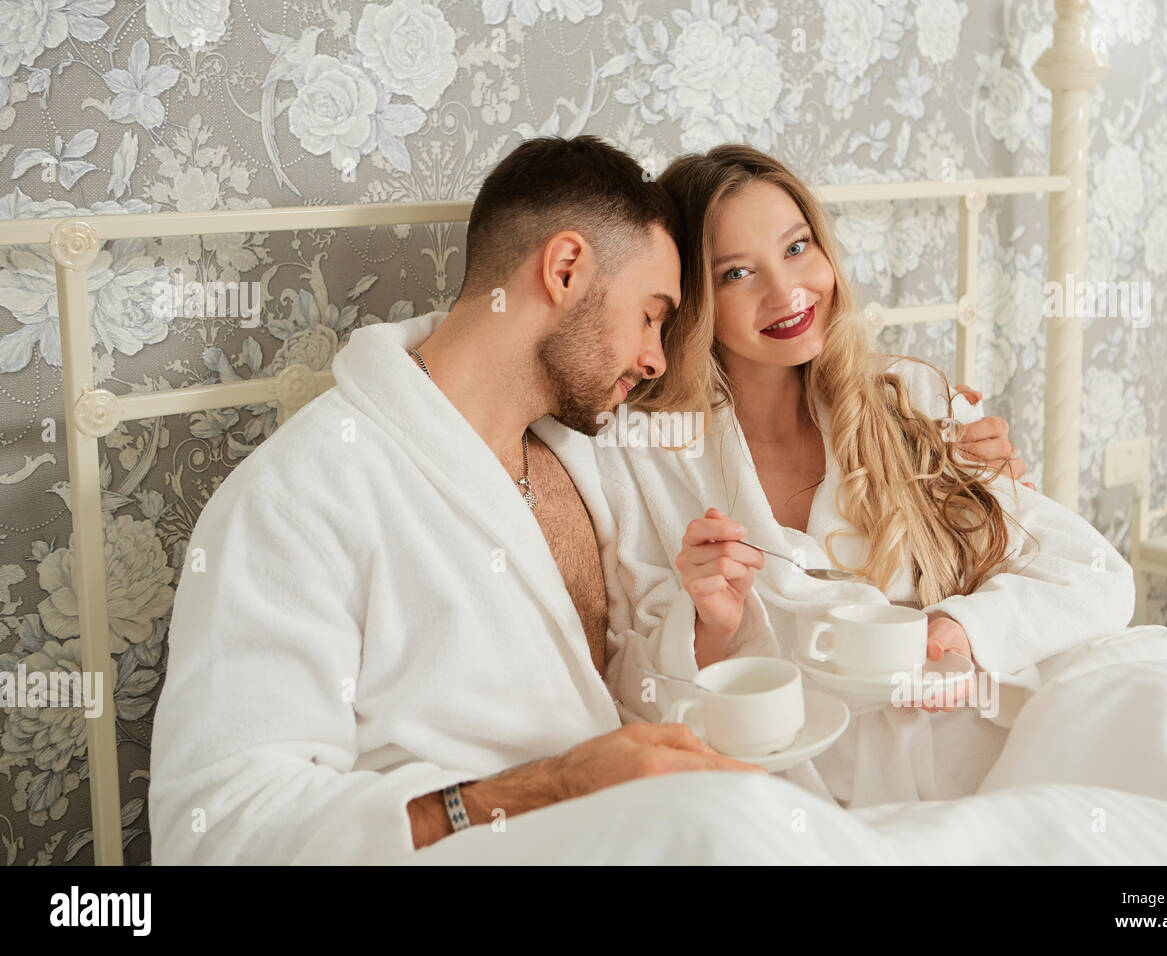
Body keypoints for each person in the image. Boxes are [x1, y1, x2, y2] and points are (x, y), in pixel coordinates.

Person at [148, 135, 1021, 864]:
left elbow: (639, 693)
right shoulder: (303, 495)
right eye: (651, 314)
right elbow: (216, 830)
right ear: (565, 268)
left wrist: (932, 450)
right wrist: (549, 790)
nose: (655, 357)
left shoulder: (587, 459)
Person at [598, 145, 1137, 807]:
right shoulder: (648, 455)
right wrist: (709, 624)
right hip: (810, 793)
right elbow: (637, 693)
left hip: (991, 754)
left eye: (797, 249)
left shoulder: (910, 404)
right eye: (737, 272)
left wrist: (965, 630)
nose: (787, 290)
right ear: (691, 301)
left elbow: (1095, 574)